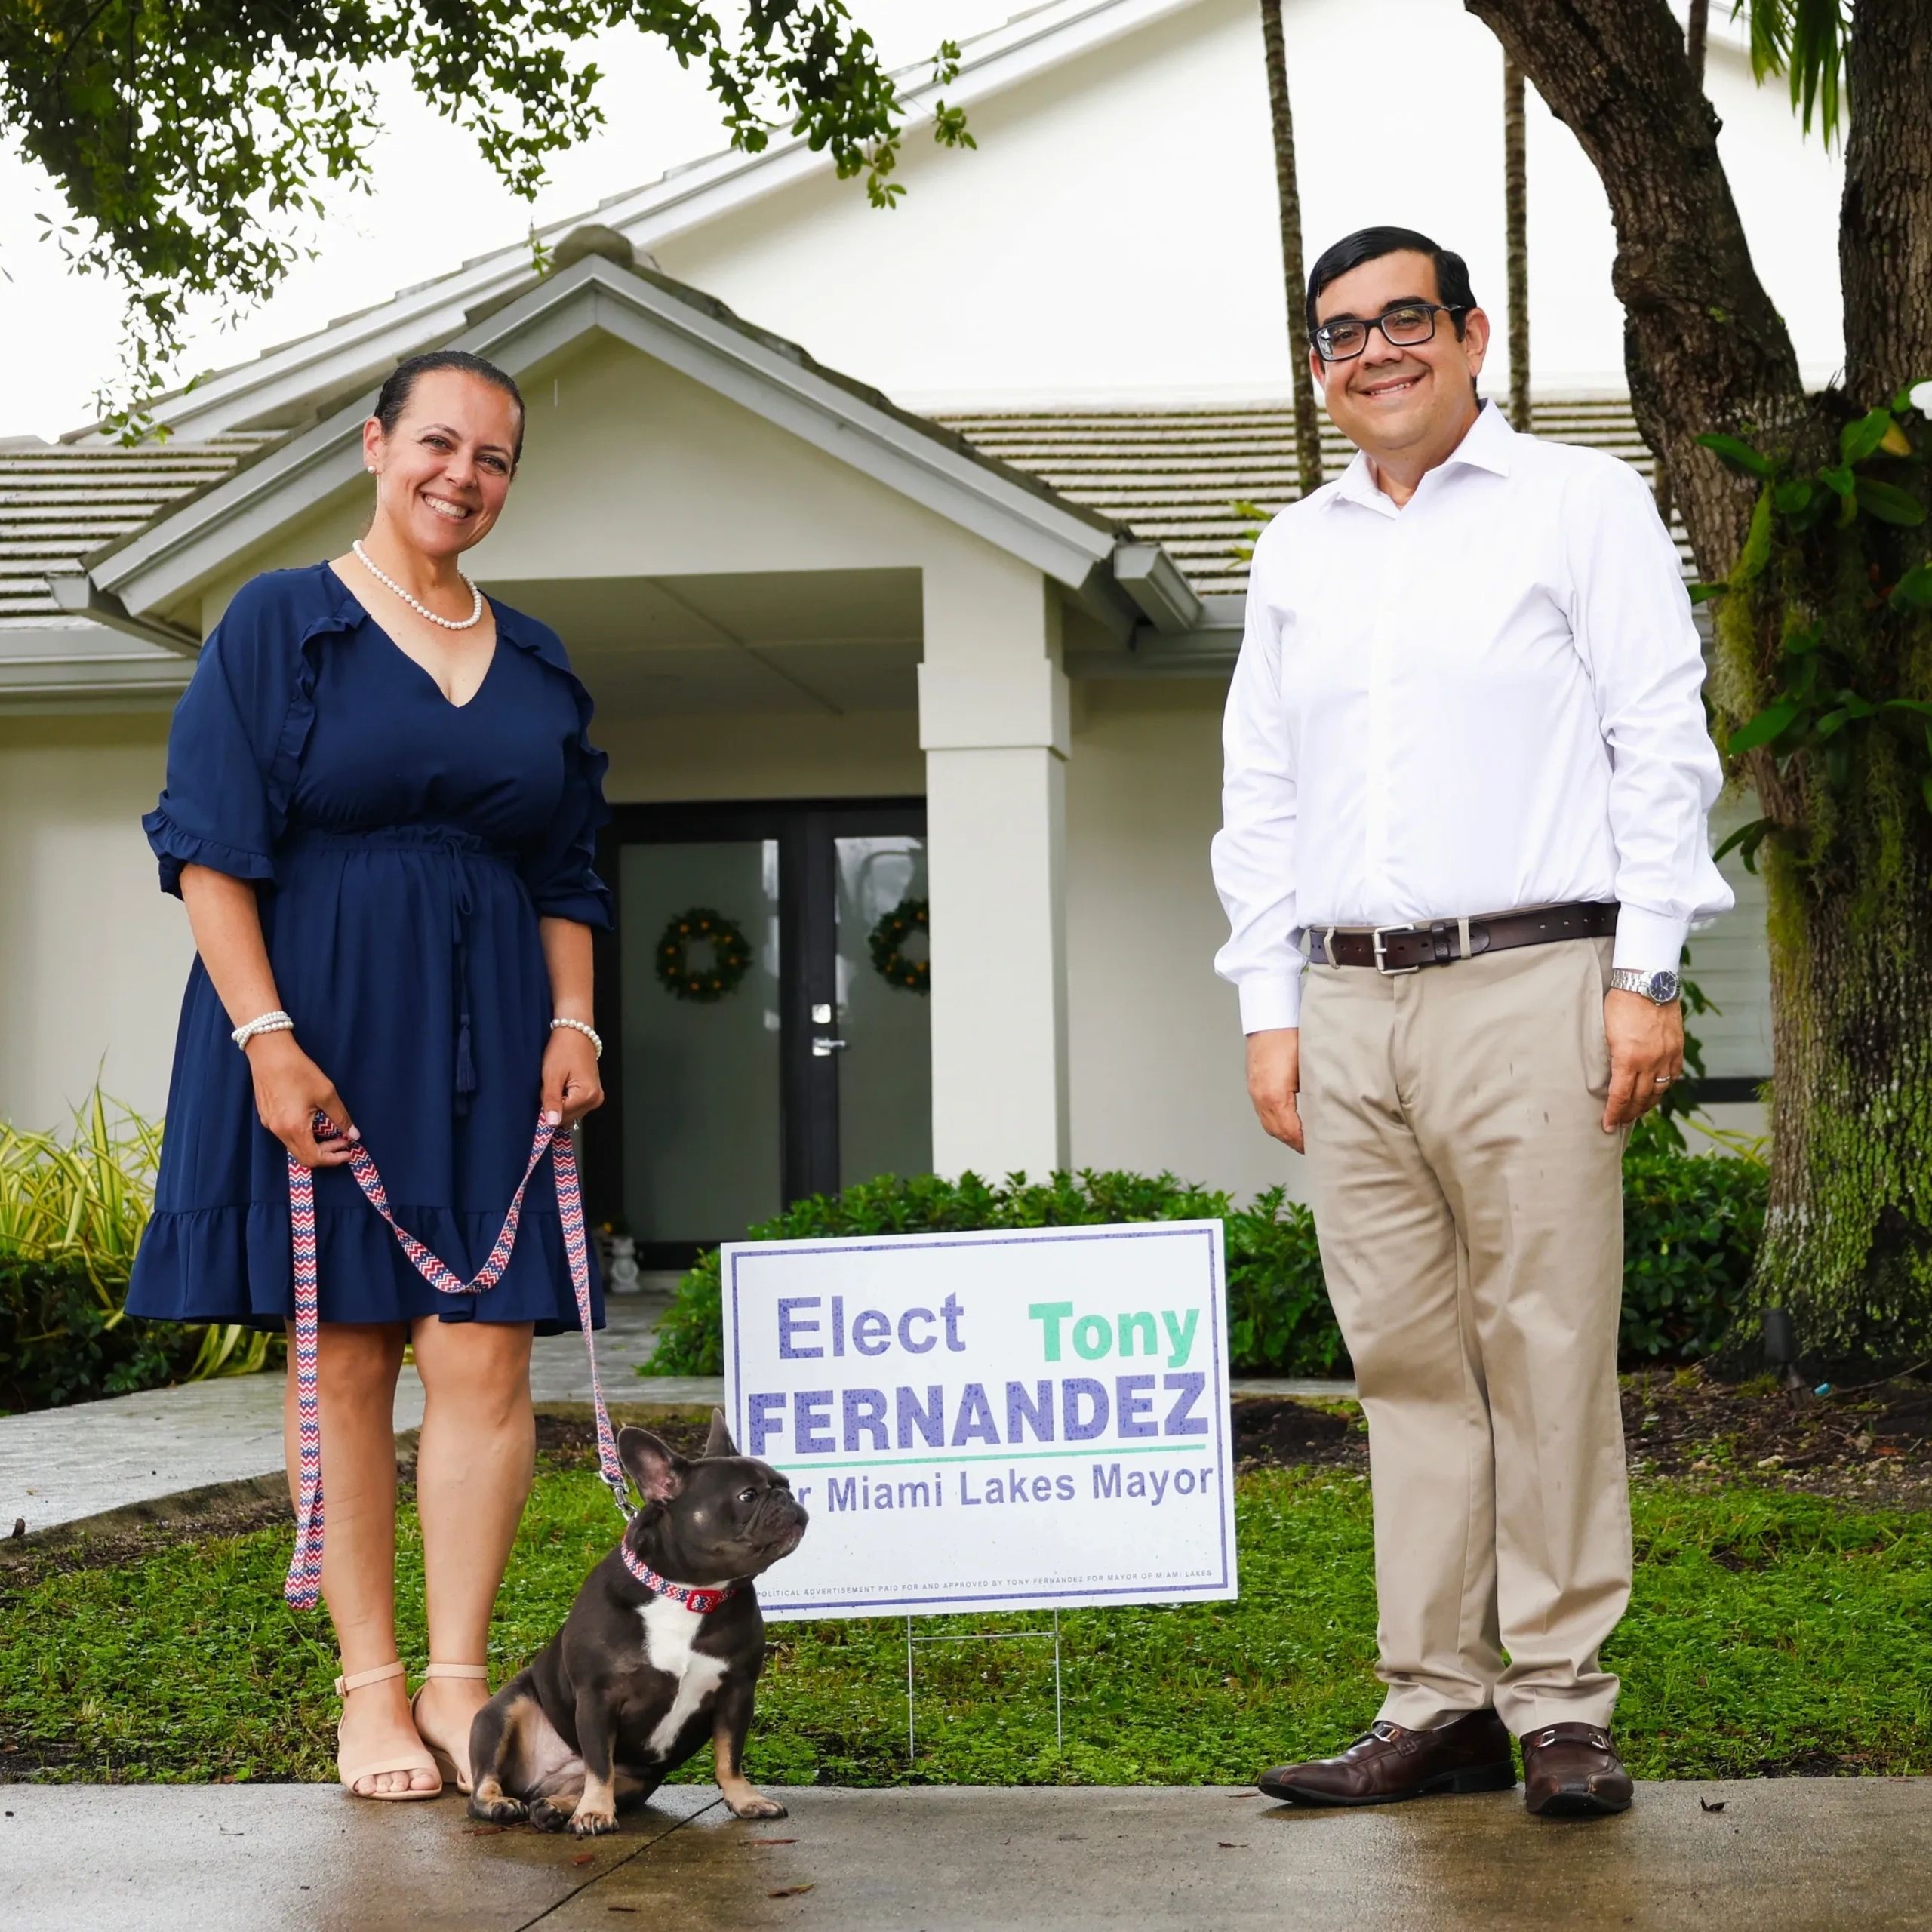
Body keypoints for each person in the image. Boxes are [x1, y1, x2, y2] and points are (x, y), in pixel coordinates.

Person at [1212, 226, 1732, 1817]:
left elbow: (1660, 743)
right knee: (1403, 1361)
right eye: (1340, 332)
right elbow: (1260, 787)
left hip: (1534, 980)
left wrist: (1646, 972)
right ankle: (1435, 1699)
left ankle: (1560, 1700)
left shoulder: (1578, 505)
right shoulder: (1296, 548)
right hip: (1344, 997)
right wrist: (1269, 1003)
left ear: (1471, 332)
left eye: (1404, 319)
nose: (1373, 350)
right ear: (1318, 364)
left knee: (1547, 1347)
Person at [126, 349, 613, 1801]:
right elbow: (210, 852)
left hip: (493, 1041)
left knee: (484, 1353)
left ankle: (459, 1685)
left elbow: (568, 870)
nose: (463, 476)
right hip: (321, 1021)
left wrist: (576, 1025)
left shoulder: (539, 662)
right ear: (375, 444)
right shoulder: (281, 622)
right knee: (345, 1354)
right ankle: (369, 1691)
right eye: (438, 444)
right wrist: (268, 1042)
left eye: (494, 458)